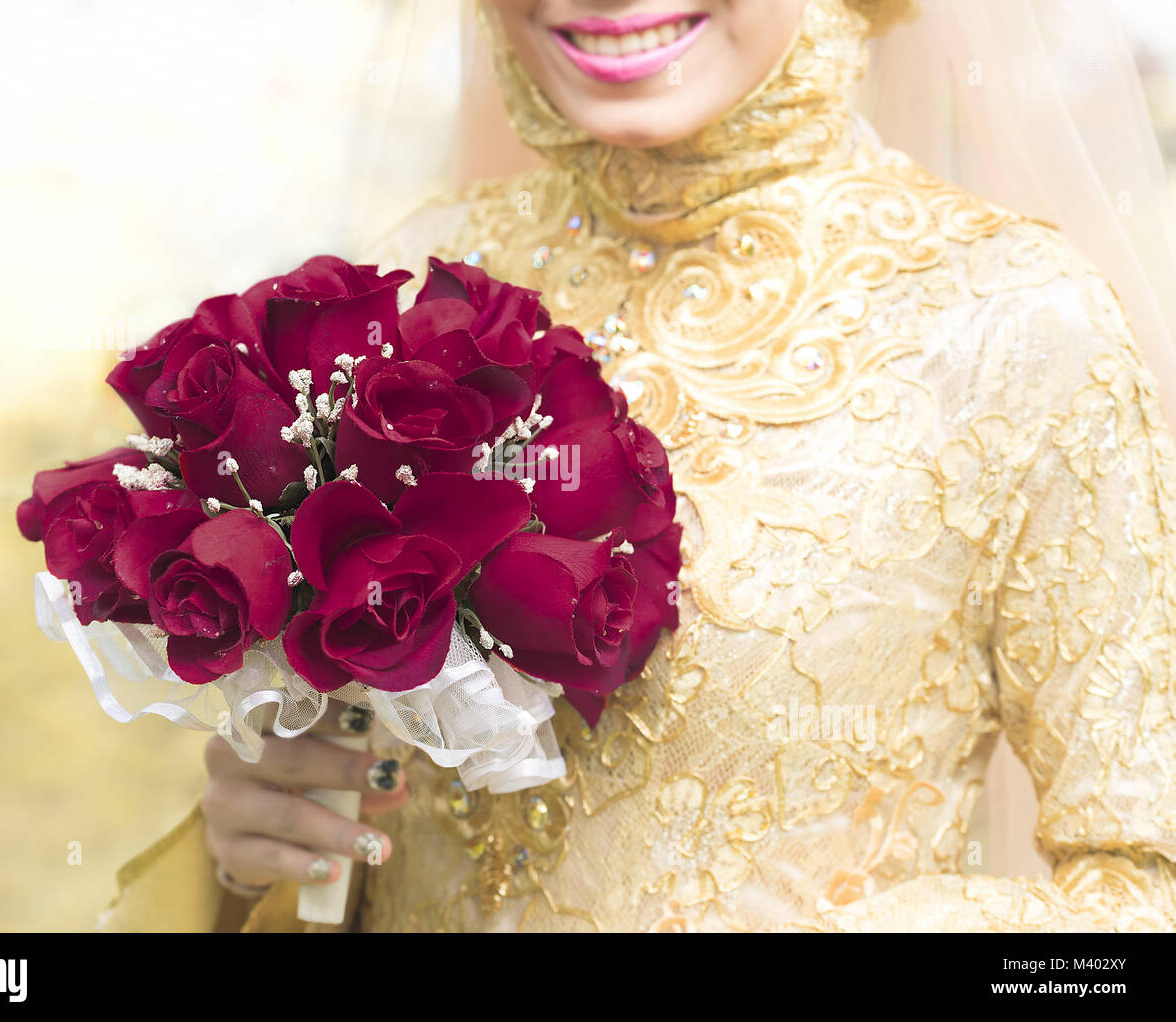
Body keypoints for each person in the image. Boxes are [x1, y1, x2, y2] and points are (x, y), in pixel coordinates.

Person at [97, 0, 1176, 932]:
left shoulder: (1008, 317)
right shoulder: (413, 282)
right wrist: (254, 854)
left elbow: (1142, 890)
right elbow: (370, 803)